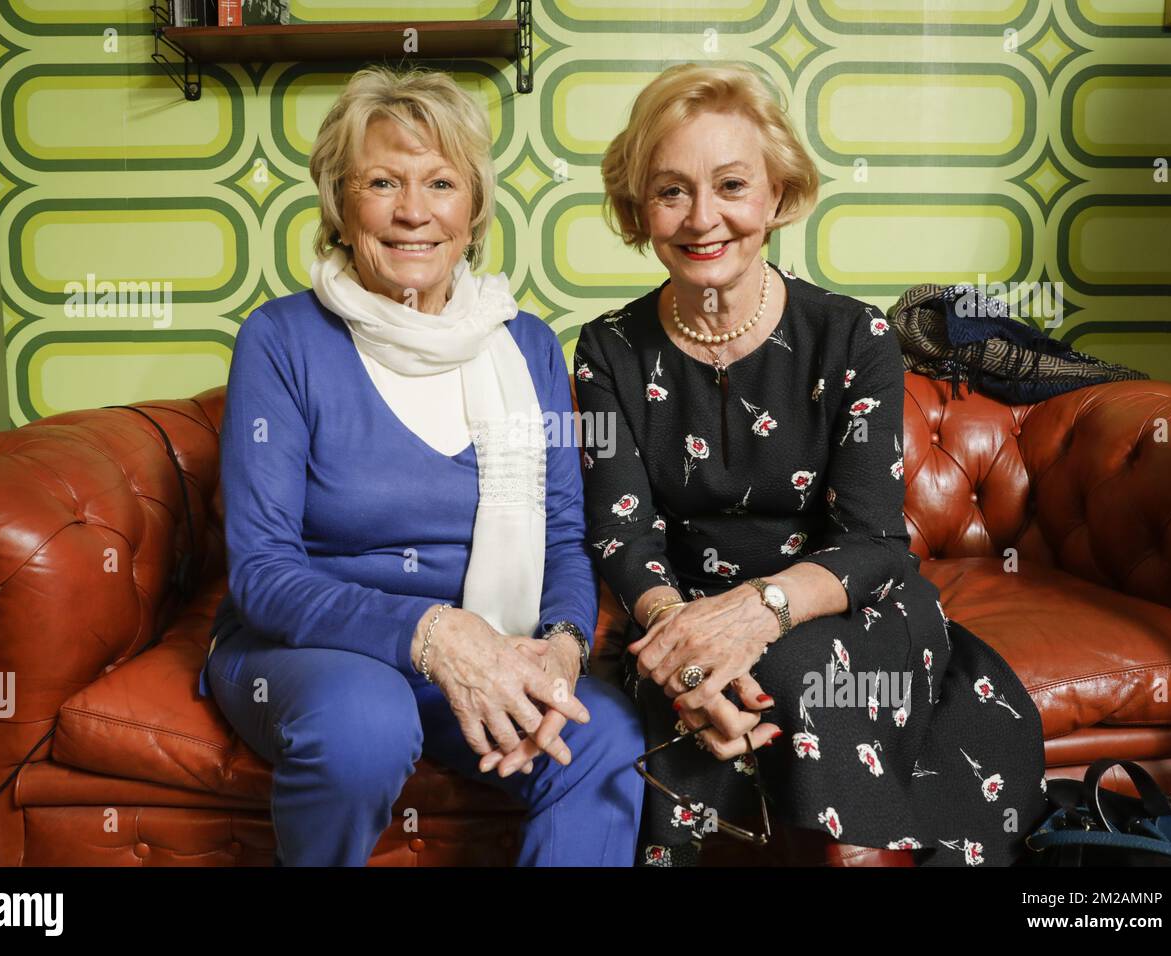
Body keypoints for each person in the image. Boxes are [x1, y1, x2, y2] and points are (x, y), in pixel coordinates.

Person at [574, 62, 1047, 866]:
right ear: (638, 208)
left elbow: (871, 543)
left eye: (731, 184)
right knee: (693, 684)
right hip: (688, 620)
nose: (703, 218)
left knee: (792, 668)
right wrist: (679, 640)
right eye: (671, 191)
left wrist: (757, 614)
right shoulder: (609, 348)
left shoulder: (853, 336)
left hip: (847, 610)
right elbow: (624, 539)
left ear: (777, 195)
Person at [202, 66, 643, 866]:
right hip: (313, 650)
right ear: (340, 207)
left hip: (493, 645)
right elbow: (262, 573)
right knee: (365, 723)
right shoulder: (282, 341)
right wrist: (434, 635)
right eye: (381, 182)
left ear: (472, 213)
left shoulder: (529, 347)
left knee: (604, 735)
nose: (413, 212)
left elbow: (567, 536)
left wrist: (562, 650)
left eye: (441, 182)